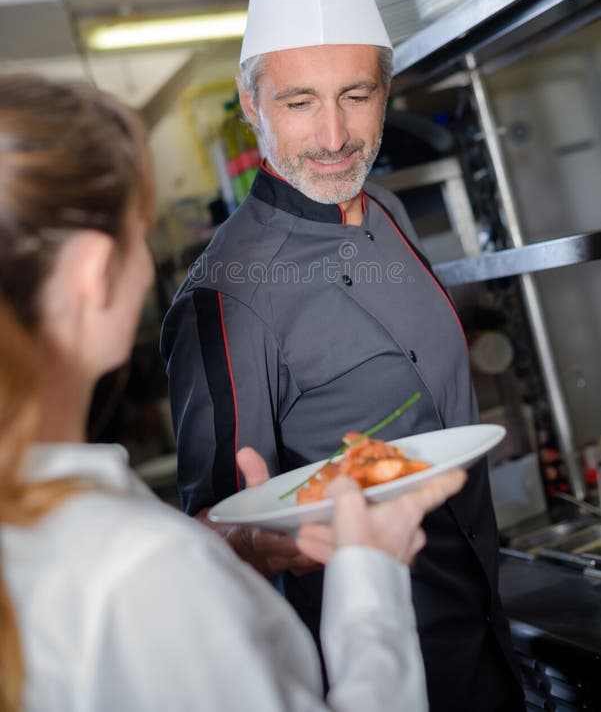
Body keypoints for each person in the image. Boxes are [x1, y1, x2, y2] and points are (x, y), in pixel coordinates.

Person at [161, 0, 526, 712]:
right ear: (252, 107)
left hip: (485, 634)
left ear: (385, 92)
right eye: (298, 103)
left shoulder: (390, 209)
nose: (333, 136)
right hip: (370, 670)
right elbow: (212, 540)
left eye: (355, 95)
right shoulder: (225, 296)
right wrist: (244, 541)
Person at [0, 73, 466, 712]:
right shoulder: (135, 567)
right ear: (93, 274)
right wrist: (371, 569)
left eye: (356, 95)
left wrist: (228, 543)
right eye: (141, 234)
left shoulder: (72, 515)